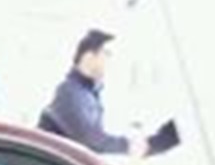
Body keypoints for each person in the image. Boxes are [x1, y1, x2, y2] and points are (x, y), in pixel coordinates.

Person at [38, 28, 149, 157]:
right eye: (107, 54)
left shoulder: (89, 93)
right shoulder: (69, 92)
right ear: (89, 57)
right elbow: (91, 141)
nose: (111, 60)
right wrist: (128, 145)